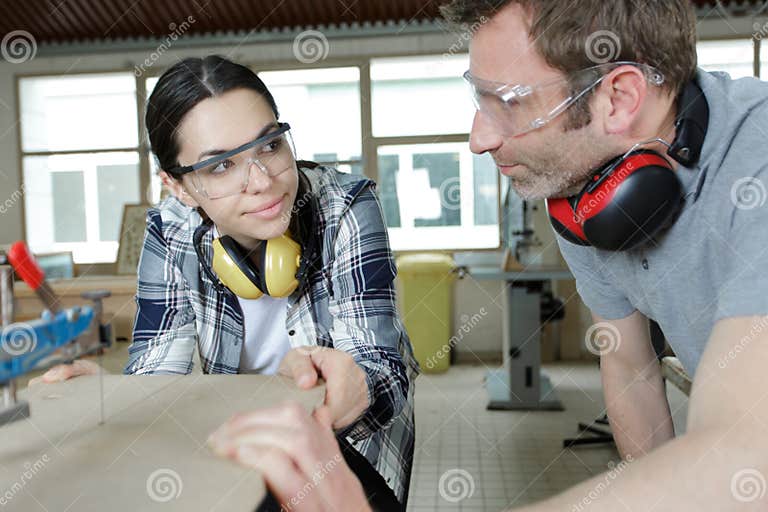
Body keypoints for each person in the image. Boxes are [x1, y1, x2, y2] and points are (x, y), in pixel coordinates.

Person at [209, 1, 768, 510]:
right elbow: (629, 367)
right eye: (480, 98)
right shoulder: (583, 196)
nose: (478, 138)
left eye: (508, 103)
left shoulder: (757, 163)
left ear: (619, 97)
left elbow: (741, 462)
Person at [31, 55, 418, 510]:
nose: (262, 182)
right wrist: (117, 400)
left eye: (270, 146)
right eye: (220, 166)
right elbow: (159, 368)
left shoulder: (346, 204)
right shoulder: (169, 230)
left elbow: (383, 368)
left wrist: (357, 386)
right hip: (240, 431)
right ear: (177, 185)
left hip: (353, 442)